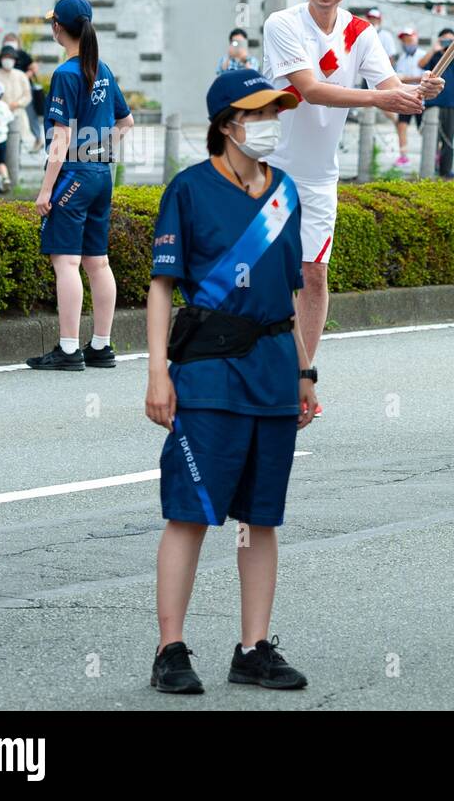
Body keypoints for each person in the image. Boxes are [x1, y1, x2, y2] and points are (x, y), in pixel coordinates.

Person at [144, 71, 315, 695]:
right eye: (258, 112)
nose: (270, 122)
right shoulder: (189, 190)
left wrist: (304, 371)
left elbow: (289, 297)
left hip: (273, 370)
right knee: (190, 513)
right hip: (209, 372)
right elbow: (162, 286)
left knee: (258, 518)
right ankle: (170, 650)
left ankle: (253, 649)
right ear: (227, 124)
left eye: (275, 111)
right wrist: (157, 371)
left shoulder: (285, 192)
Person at [262, 0, 439, 417]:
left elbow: (388, 88)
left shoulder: (361, 31)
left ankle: (299, 381)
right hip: (270, 171)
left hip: (319, 176)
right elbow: (310, 89)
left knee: (314, 275)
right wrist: (384, 100)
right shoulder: (282, 24)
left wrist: (416, 90)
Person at [26, 0, 134, 372]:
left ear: (58, 28)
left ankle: (69, 349)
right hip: (101, 173)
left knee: (67, 261)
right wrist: (98, 150)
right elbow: (126, 122)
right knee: (97, 262)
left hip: (72, 174)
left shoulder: (65, 74)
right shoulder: (101, 69)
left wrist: (45, 190)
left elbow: (61, 138)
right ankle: (101, 346)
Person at [419, 26, 454, 179]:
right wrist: (434, 49)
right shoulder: (434, 55)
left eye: (451, 40)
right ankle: (430, 167)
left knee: (449, 138)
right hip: (433, 102)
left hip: (452, 103)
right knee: (431, 137)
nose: (448, 42)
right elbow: (421, 64)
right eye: (445, 40)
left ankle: (446, 170)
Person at [0, 43, 32, 156]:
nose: (8, 60)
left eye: (10, 57)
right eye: (5, 57)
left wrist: (17, 103)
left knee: (15, 151)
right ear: (0, 59)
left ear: (15, 60)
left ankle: (14, 167)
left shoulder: (21, 75)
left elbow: (27, 96)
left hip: (17, 115)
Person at [392, 27, 424, 166]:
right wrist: (408, 79)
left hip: (422, 99)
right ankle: (403, 156)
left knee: (423, 129)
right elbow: (398, 79)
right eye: (405, 41)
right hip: (406, 97)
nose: (407, 43)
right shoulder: (402, 58)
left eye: (410, 40)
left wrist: (407, 79)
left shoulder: (423, 56)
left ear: (416, 39)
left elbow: (425, 77)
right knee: (402, 126)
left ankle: (435, 154)